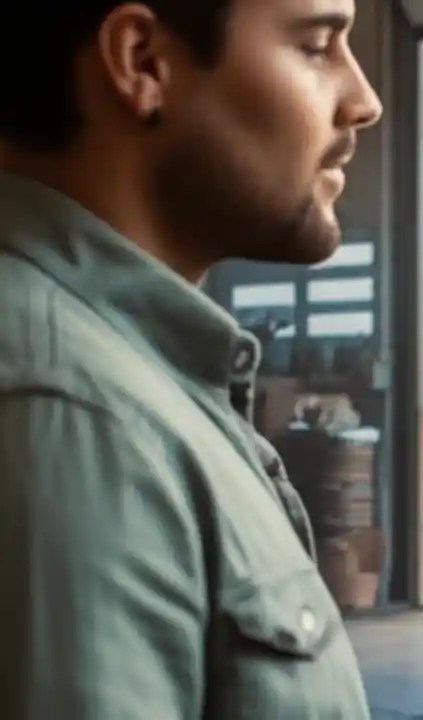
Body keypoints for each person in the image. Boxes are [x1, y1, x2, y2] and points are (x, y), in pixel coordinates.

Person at [0, 0, 382, 717]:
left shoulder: (121, 386)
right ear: (143, 62)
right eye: (317, 44)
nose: (364, 101)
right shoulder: (78, 424)